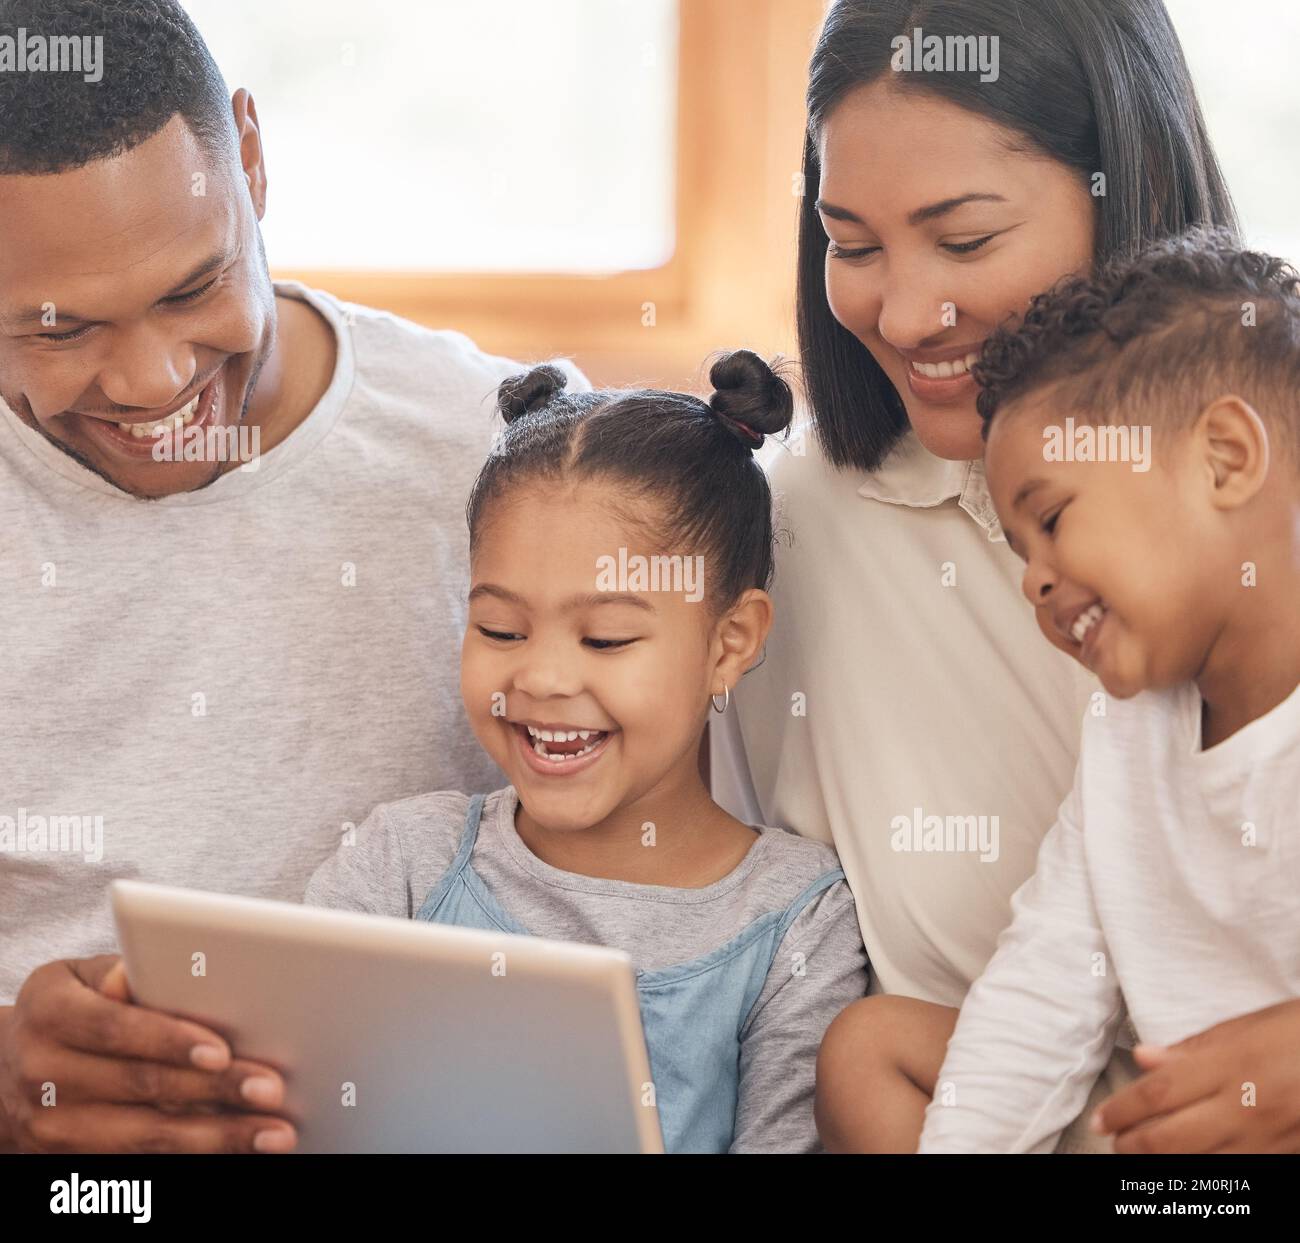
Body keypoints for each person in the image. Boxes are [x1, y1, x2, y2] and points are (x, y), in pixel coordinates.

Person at [711, 0, 1298, 1154]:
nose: (907, 309)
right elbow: (1040, 979)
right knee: (865, 1044)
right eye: (854, 243)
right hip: (1076, 1131)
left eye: (967, 240)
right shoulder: (791, 533)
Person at [0, 0, 582, 1152]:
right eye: (60, 331)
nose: (153, 382)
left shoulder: (512, 455)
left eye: (190, 289)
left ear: (253, 161)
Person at [305, 352, 871, 1153]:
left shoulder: (795, 918)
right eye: (500, 630)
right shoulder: (403, 865)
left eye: (605, 637)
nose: (538, 676)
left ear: (728, 642)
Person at [900, 233, 1299, 1151]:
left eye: (1050, 517)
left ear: (1227, 458)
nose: (1034, 580)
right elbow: (1045, 985)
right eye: (1018, 551)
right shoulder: (1130, 731)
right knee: (869, 1050)